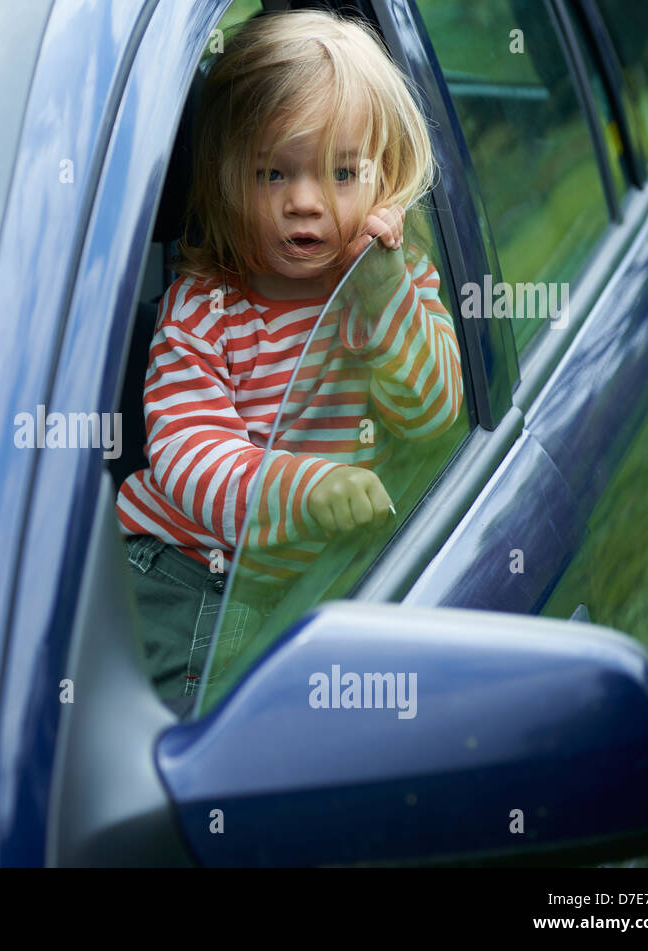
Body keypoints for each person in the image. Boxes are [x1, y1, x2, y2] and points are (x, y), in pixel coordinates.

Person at [115, 8, 464, 713]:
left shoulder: (397, 284)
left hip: (299, 581)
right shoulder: (206, 306)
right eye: (275, 172)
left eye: (342, 172)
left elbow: (433, 414)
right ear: (225, 181)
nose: (305, 202)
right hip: (185, 573)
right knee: (161, 757)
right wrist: (305, 489)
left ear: (385, 177)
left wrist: (382, 290)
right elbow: (187, 455)